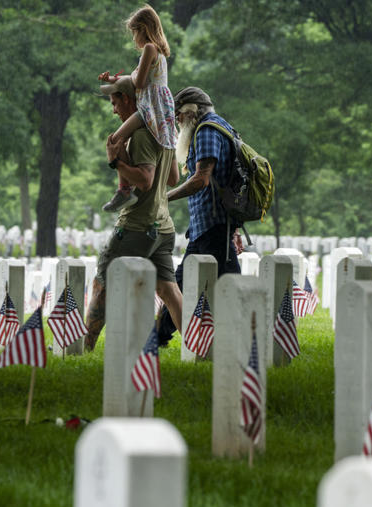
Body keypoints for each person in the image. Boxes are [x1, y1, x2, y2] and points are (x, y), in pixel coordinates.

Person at [84, 76, 182, 352]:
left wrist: (116, 162)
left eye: (115, 103)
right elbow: (173, 177)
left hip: (137, 226)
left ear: (128, 100)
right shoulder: (164, 132)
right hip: (163, 228)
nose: (114, 110)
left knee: (102, 281)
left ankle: (84, 346)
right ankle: (199, 349)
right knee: (170, 293)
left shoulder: (140, 135)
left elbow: (145, 180)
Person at [156, 86, 243, 345]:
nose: (178, 122)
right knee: (186, 284)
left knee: (190, 286)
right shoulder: (220, 126)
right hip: (211, 226)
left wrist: (164, 196)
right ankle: (157, 336)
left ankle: (157, 338)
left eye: (179, 115)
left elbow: (201, 179)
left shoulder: (206, 131)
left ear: (191, 112)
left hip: (212, 226)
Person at [97, 4, 177, 213]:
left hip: (149, 109)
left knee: (115, 139)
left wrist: (126, 77)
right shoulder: (156, 53)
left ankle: (124, 190)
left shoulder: (150, 49)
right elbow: (135, 78)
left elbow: (139, 83)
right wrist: (114, 79)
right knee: (172, 173)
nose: (134, 39)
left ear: (144, 28)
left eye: (134, 33)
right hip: (158, 109)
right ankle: (129, 185)